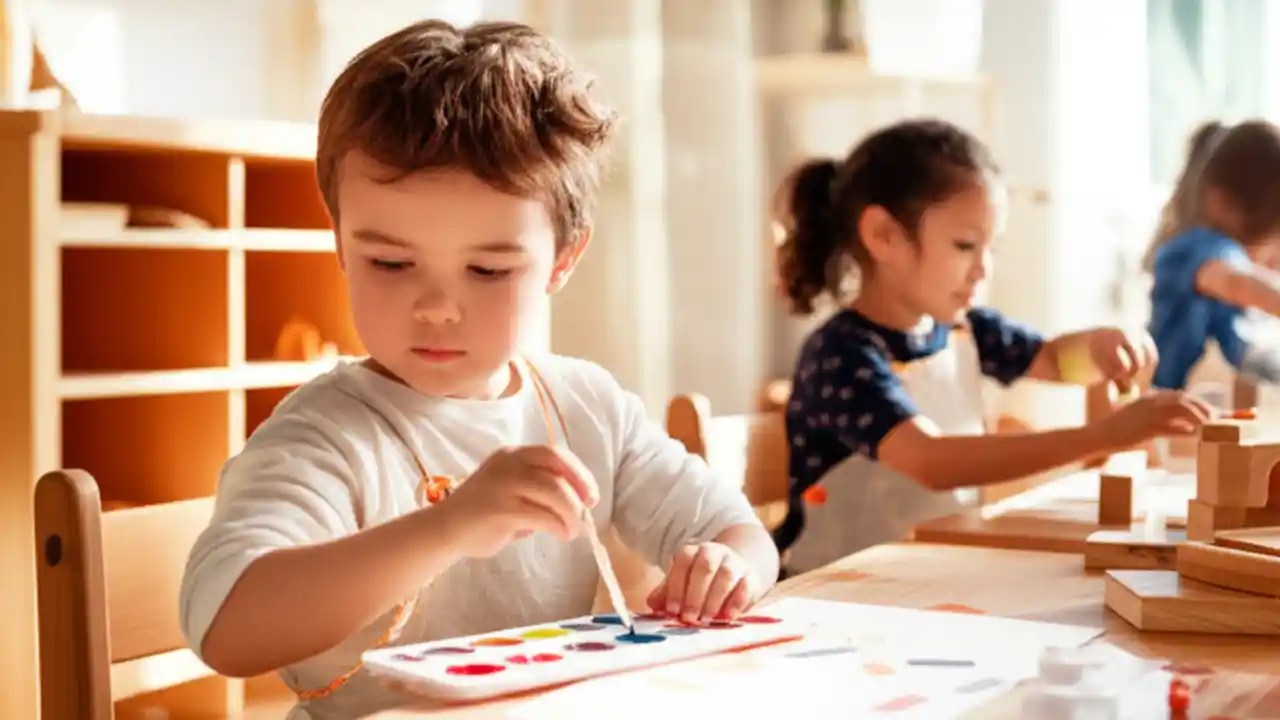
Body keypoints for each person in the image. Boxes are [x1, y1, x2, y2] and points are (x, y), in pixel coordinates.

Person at [178, 20, 777, 719]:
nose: (436, 307)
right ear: (340, 242)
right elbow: (227, 630)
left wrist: (726, 570)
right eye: (391, 263)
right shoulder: (325, 436)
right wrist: (449, 527)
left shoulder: (585, 405)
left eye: (488, 270)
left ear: (562, 261)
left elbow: (738, 534)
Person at [771, 119, 1213, 575]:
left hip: (924, 572)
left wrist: (1101, 346)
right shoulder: (839, 356)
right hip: (831, 589)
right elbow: (930, 461)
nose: (982, 270)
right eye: (965, 245)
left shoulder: (967, 329)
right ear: (883, 235)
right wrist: (1102, 437)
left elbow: (1052, 360)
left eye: (991, 249)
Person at [1145, 120, 1280, 392]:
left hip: (1216, 407)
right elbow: (1236, 281)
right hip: (1170, 408)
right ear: (1222, 202)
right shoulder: (1193, 250)